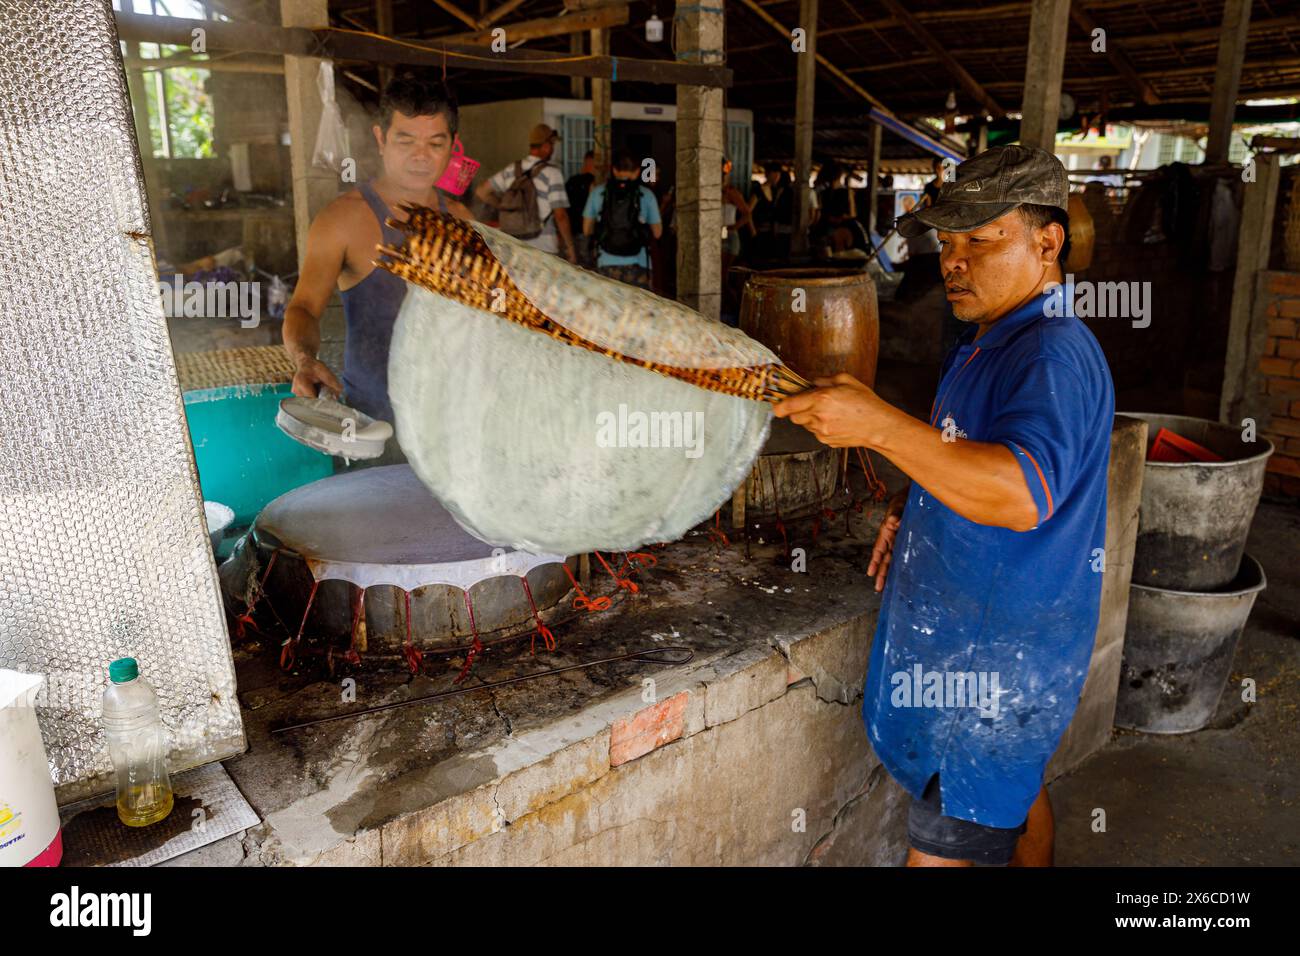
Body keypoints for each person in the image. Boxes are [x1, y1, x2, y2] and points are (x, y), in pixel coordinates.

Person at [773, 145, 1114, 868]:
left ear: (1046, 242)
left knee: (952, 834)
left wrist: (878, 425)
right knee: (1015, 797)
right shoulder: (988, 338)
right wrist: (917, 497)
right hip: (981, 649)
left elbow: (1022, 492)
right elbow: (964, 448)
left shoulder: (1051, 353)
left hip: (990, 676)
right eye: (947, 244)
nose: (952, 262)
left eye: (979, 241)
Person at [282, 71, 471, 457]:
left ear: (452, 146)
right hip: (375, 427)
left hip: (456, 425)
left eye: (436, 143)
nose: (421, 155)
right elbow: (303, 307)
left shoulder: (463, 222)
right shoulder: (343, 220)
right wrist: (305, 359)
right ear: (381, 139)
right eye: (406, 140)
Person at [475, 123, 577, 262]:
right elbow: (561, 216)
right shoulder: (552, 173)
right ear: (546, 146)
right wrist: (570, 247)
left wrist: (503, 206)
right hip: (544, 249)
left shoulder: (512, 169)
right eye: (552, 145)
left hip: (512, 249)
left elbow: (481, 191)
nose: (552, 149)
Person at [581, 149, 662, 289]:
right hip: (638, 264)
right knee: (637, 309)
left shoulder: (598, 193)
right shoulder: (646, 195)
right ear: (637, 171)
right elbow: (657, 233)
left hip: (606, 263)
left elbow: (586, 230)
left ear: (614, 170)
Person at [566, 150, 597, 264]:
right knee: (586, 266)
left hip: (570, 231)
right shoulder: (594, 184)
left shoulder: (571, 181)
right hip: (585, 231)